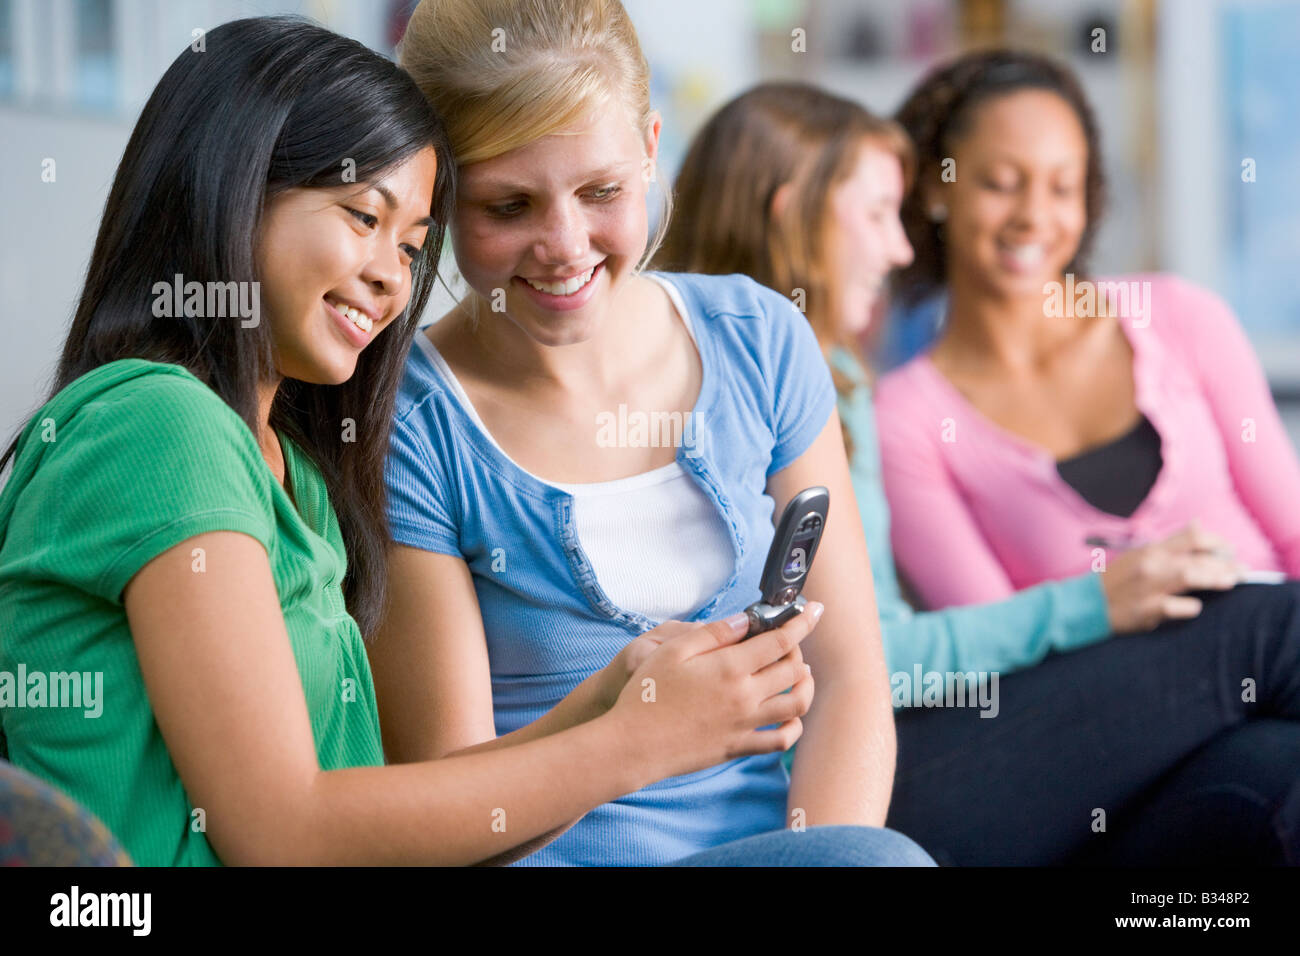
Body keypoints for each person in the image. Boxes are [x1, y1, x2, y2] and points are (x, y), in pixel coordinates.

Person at [0, 16, 871, 868]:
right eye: (360, 216)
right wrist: (634, 743)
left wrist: (612, 700)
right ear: (229, 189)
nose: (391, 275)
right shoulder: (159, 425)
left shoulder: (293, 469)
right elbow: (281, 831)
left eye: (414, 243)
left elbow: (409, 813)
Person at [659, 77, 1300, 865]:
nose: (898, 250)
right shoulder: (842, 399)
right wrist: (1099, 600)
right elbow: (895, 664)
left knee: (1274, 769)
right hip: (868, 772)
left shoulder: (839, 385)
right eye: (877, 215)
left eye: (1064, 185)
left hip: (927, 753)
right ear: (794, 214)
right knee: (1267, 627)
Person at [375, 0, 932, 866]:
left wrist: (819, 855)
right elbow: (453, 795)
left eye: (602, 192)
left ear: (650, 150)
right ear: (437, 197)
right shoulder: (413, 424)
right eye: (509, 204)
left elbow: (852, 677)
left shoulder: (760, 340)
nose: (563, 246)